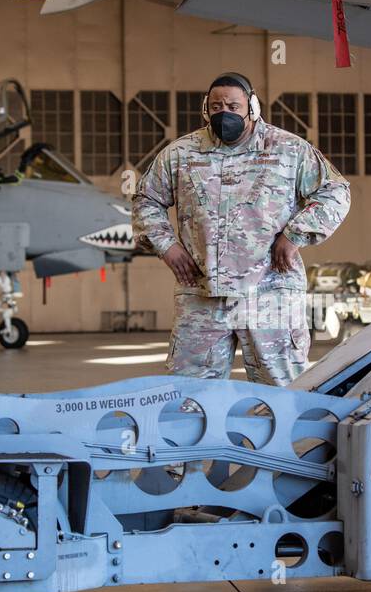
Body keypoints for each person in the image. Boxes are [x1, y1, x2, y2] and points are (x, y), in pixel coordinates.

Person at [133, 72, 351, 385]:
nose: (225, 113)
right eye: (217, 106)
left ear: (252, 108)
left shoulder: (288, 150)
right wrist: (166, 245)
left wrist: (295, 235)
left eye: (233, 106)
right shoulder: (181, 154)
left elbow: (335, 191)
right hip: (202, 294)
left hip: (270, 294)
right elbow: (145, 200)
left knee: (281, 395)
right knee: (190, 398)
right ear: (206, 109)